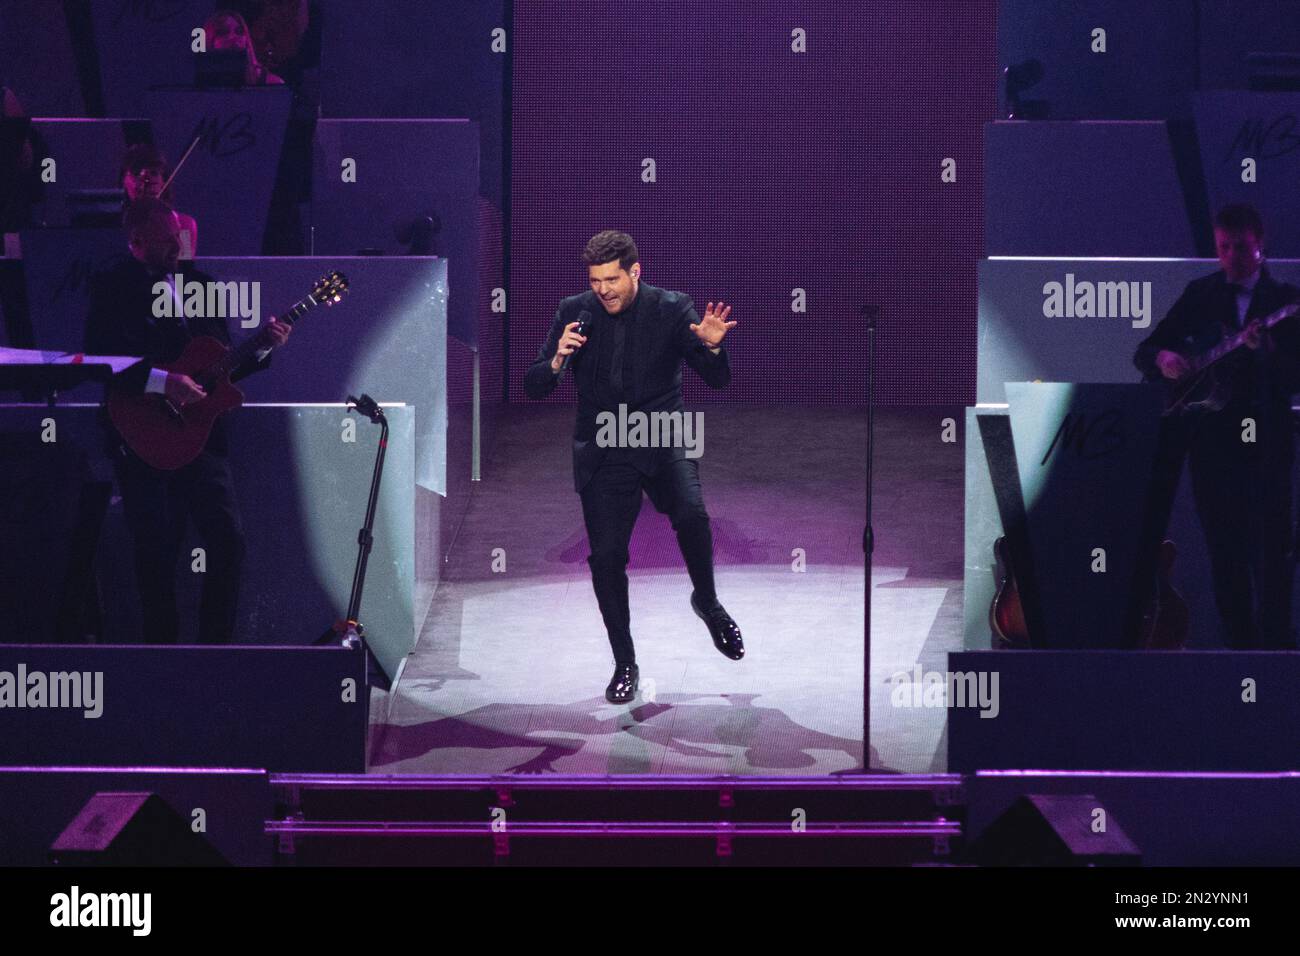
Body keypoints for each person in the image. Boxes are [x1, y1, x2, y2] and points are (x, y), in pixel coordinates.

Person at [523, 230, 743, 702]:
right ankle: (625, 662)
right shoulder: (574, 313)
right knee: (606, 559)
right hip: (605, 444)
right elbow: (534, 385)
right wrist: (558, 359)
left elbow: (718, 380)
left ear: (635, 272)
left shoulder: (672, 308)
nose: (603, 290)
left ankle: (706, 602)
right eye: (596, 280)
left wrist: (714, 346)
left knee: (691, 514)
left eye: (612, 279)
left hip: (662, 434)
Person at [84, 198, 292, 644]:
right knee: (156, 552)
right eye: (165, 239)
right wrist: (162, 382)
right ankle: (164, 657)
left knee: (228, 542)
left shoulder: (202, 286)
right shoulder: (113, 288)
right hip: (144, 438)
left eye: (179, 234)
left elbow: (221, 366)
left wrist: (262, 348)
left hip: (202, 438)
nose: (177, 245)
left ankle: (214, 653)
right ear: (137, 242)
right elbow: (100, 360)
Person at [1134, 204, 1300, 649]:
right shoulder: (1200, 295)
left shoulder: (1286, 301)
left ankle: (1278, 658)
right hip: (1213, 447)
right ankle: (1239, 656)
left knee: (1273, 555)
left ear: (1260, 242)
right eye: (1224, 247)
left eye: (1241, 246)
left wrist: (1266, 351)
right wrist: (1164, 359)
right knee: (1224, 554)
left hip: (1268, 444)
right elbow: (1146, 351)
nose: (1232, 257)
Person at [120, 143, 199, 258]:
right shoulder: (112, 223)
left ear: (163, 182)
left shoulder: (184, 225)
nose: (146, 183)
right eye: (137, 174)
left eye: (154, 173)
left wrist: (172, 275)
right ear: (124, 180)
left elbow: (182, 271)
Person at [204, 9, 286, 85]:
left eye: (239, 31)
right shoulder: (202, 84)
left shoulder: (270, 83)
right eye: (224, 32)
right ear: (210, 40)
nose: (233, 37)